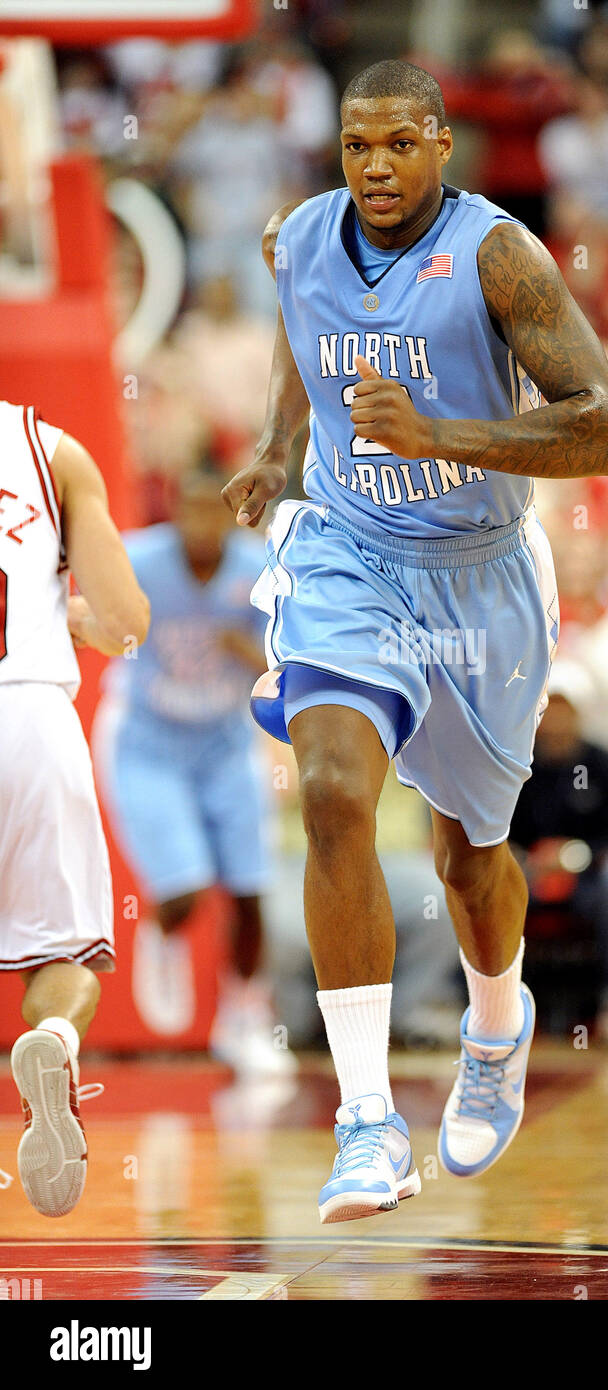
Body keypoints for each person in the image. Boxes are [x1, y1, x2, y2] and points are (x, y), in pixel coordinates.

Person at [221, 60, 608, 1224]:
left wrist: (440, 428)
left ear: (444, 145)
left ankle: (497, 1022)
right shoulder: (298, 238)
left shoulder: (502, 257)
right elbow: (309, 346)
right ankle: (364, 1122)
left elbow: (605, 431)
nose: (377, 168)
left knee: (468, 861)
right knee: (336, 790)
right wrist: (274, 446)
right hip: (350, 552)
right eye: (358, 148)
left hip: (481, 579)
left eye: (400, 145)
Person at [0, 402, 150, 1217]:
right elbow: (129, 621)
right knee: (63, 956)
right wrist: (75, 617)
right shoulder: (53, 451)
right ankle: (53, 1043)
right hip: (29, 717)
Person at [93, 467, 290, 1076]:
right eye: (192, 510)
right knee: (185, 886)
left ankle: (245, 1020)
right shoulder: (137, 561)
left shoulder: (258, 569)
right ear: (174, 512)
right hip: (147, 741)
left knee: (251, 889)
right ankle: (162, 934)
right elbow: (96, 617)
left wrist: (245, 649)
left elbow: (287, 663)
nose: (203, 524)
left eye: (216, 512)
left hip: (225, 742)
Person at [508, 679, 608, 1052]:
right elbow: (499, 830)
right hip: (529, 880)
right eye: (547, 715)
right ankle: (488, 1002)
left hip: (592, 880)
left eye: (563, 714)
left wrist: (575, 855)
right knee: (482, 878)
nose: (555, 725)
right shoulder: (515, 764)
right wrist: (526, 859)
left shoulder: (606, 766)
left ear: (578, 717)